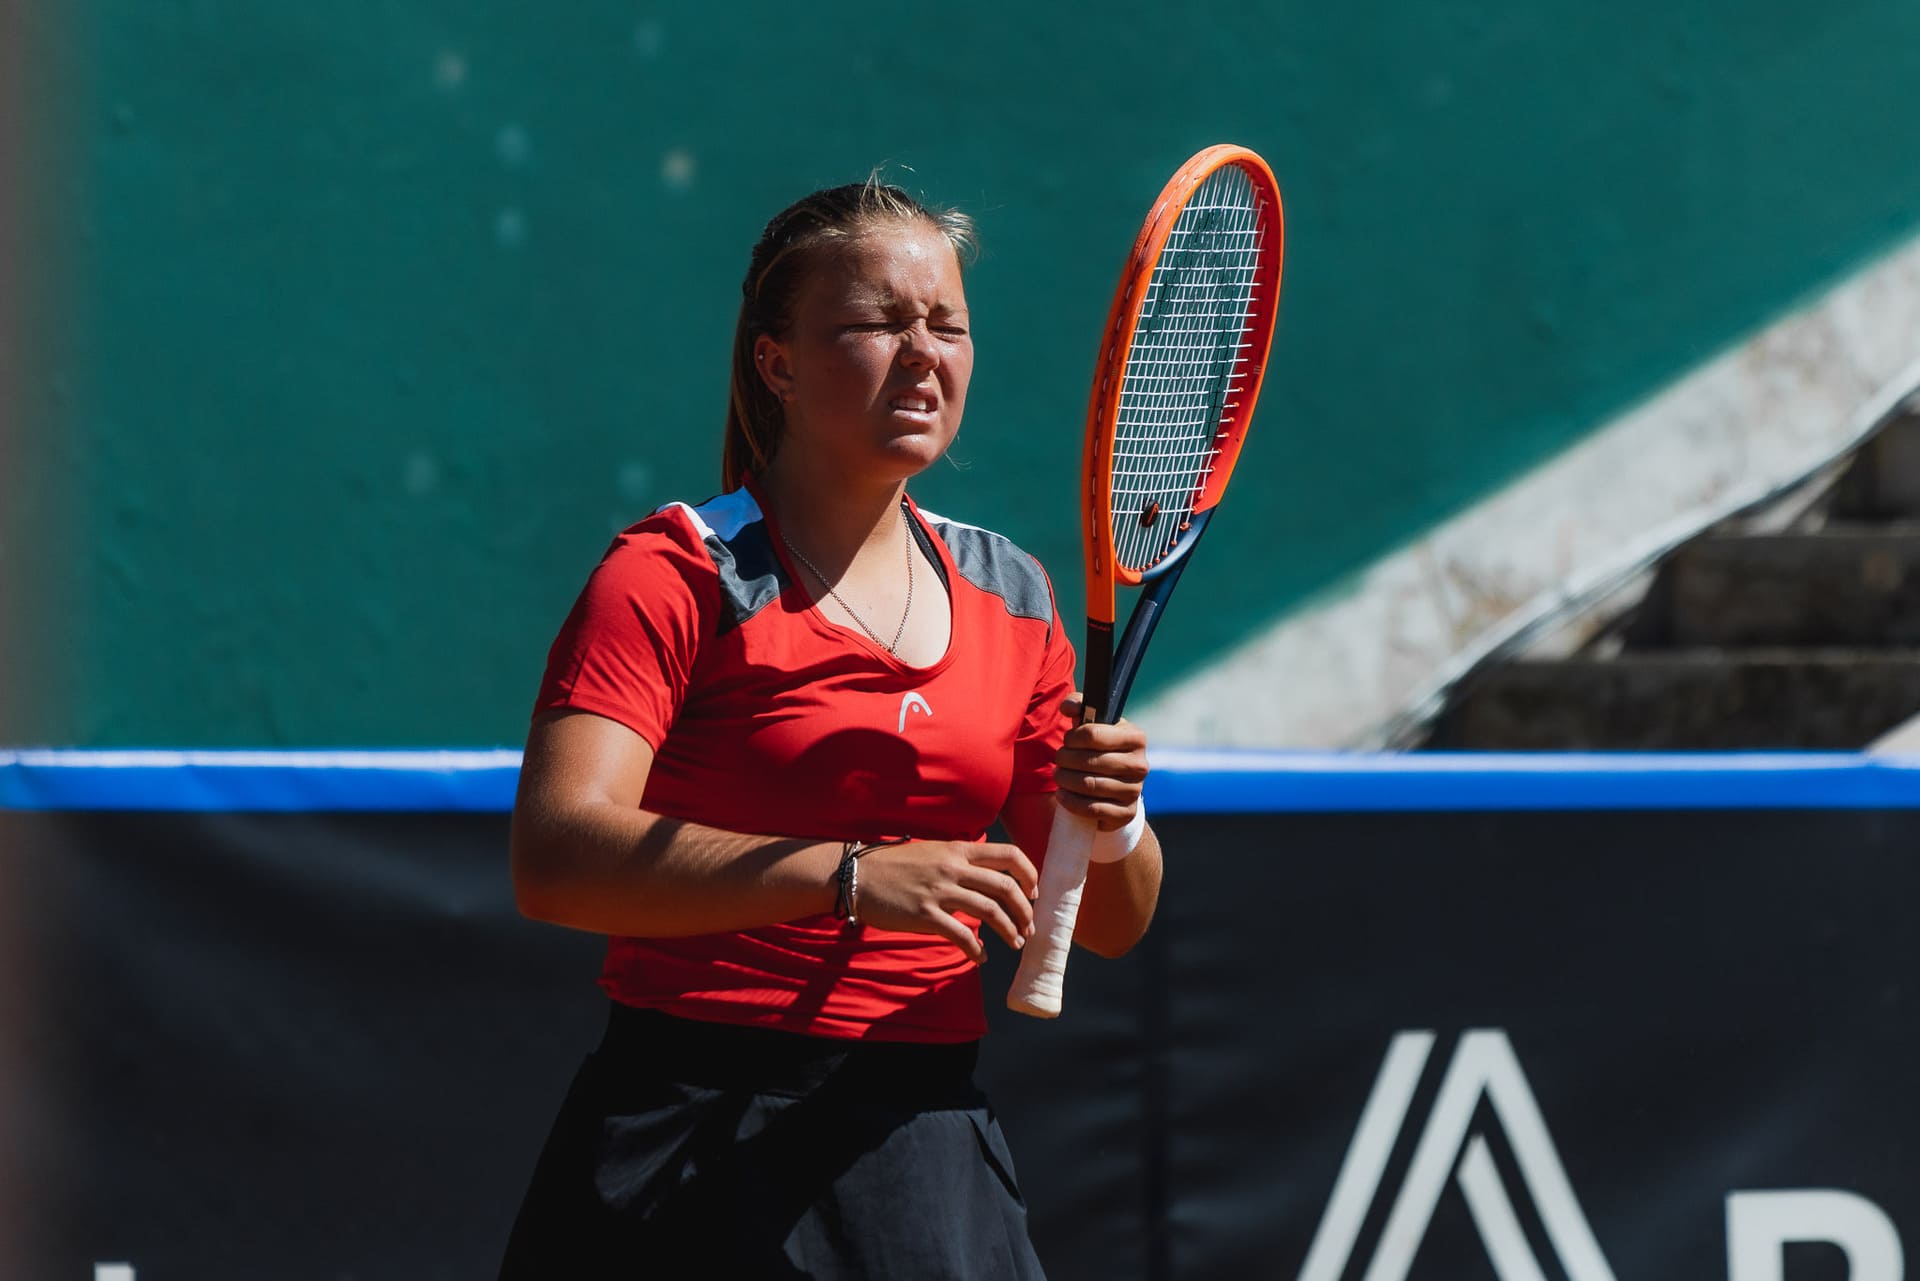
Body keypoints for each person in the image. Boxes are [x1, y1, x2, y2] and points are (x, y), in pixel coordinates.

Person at [499, 177, 1162, 1279]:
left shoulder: (1018, 595)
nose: (923, 355)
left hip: (920, 1146)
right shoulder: (670, 576)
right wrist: (849, 877)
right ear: (778, 363)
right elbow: (555, 857)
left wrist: (1118, 825)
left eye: (946, 325)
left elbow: (1111, 923)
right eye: (877, 325)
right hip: (684, 1138)